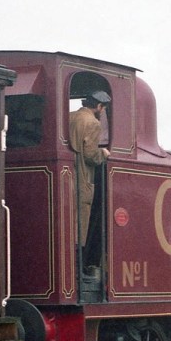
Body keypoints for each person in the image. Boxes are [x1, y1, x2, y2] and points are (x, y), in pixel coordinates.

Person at [69, 91, 111, 280]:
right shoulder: (93, 123)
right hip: (83, 177)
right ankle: (79, 270)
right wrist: (104, 153)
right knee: (81, 224)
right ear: (99, 107)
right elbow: (90, 154)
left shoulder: (70, 117)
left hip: (68, 177)